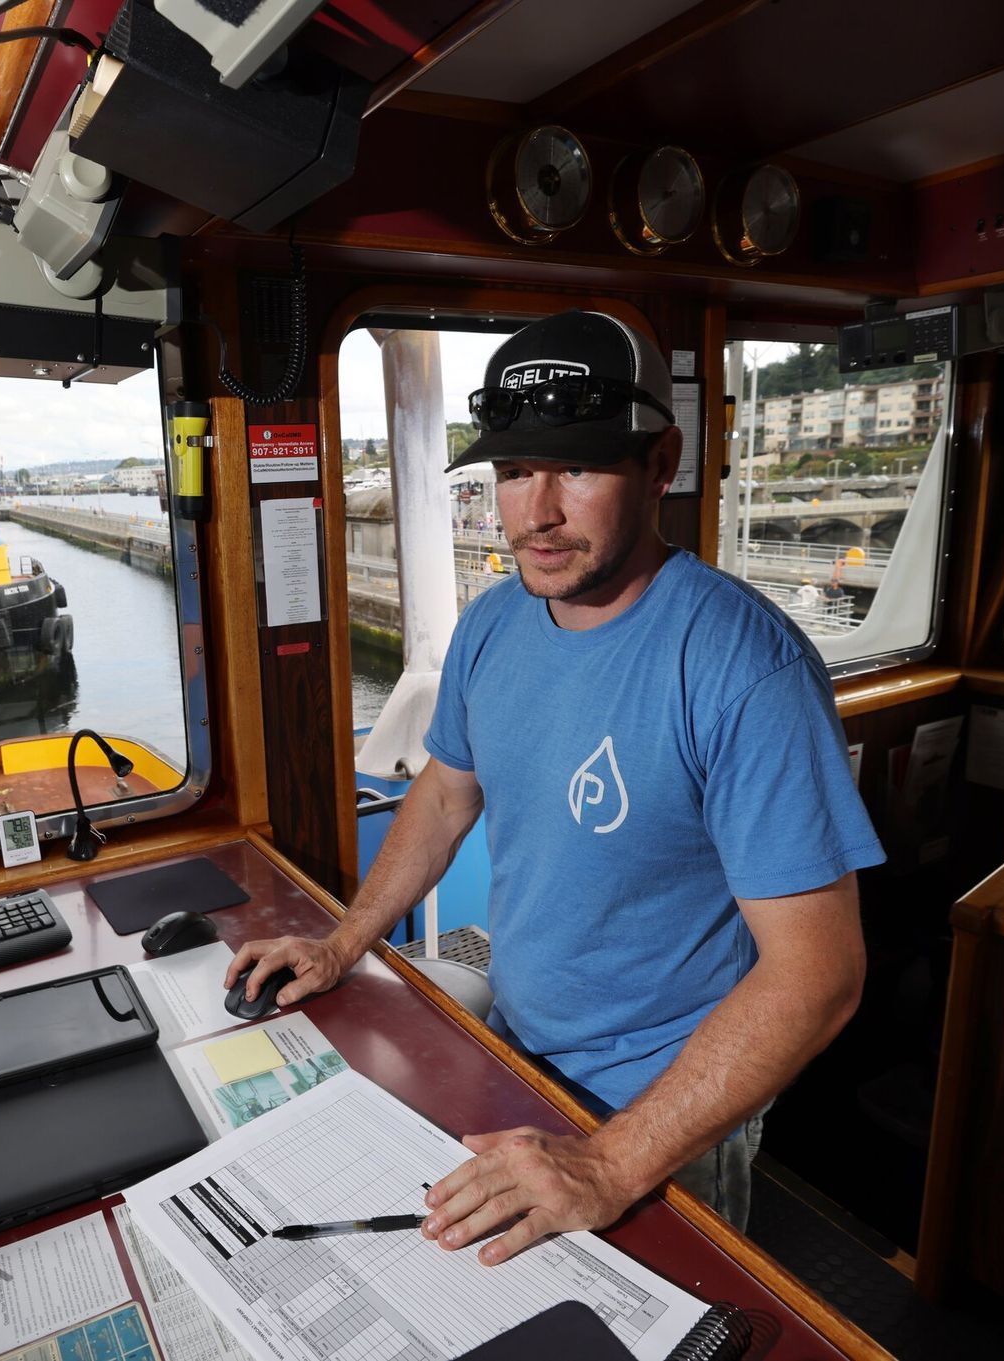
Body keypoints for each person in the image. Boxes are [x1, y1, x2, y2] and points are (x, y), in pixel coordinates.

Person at [226, 311, 879, 1260]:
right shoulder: (494, 626)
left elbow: (820, 976)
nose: (537, 511)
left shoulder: (743, 668)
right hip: (521, 1050)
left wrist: (612, 1164)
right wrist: (341, 942)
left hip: (665, 1106)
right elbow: (447, 794)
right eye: (513, 470)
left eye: (576, 467)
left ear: (662, 462)